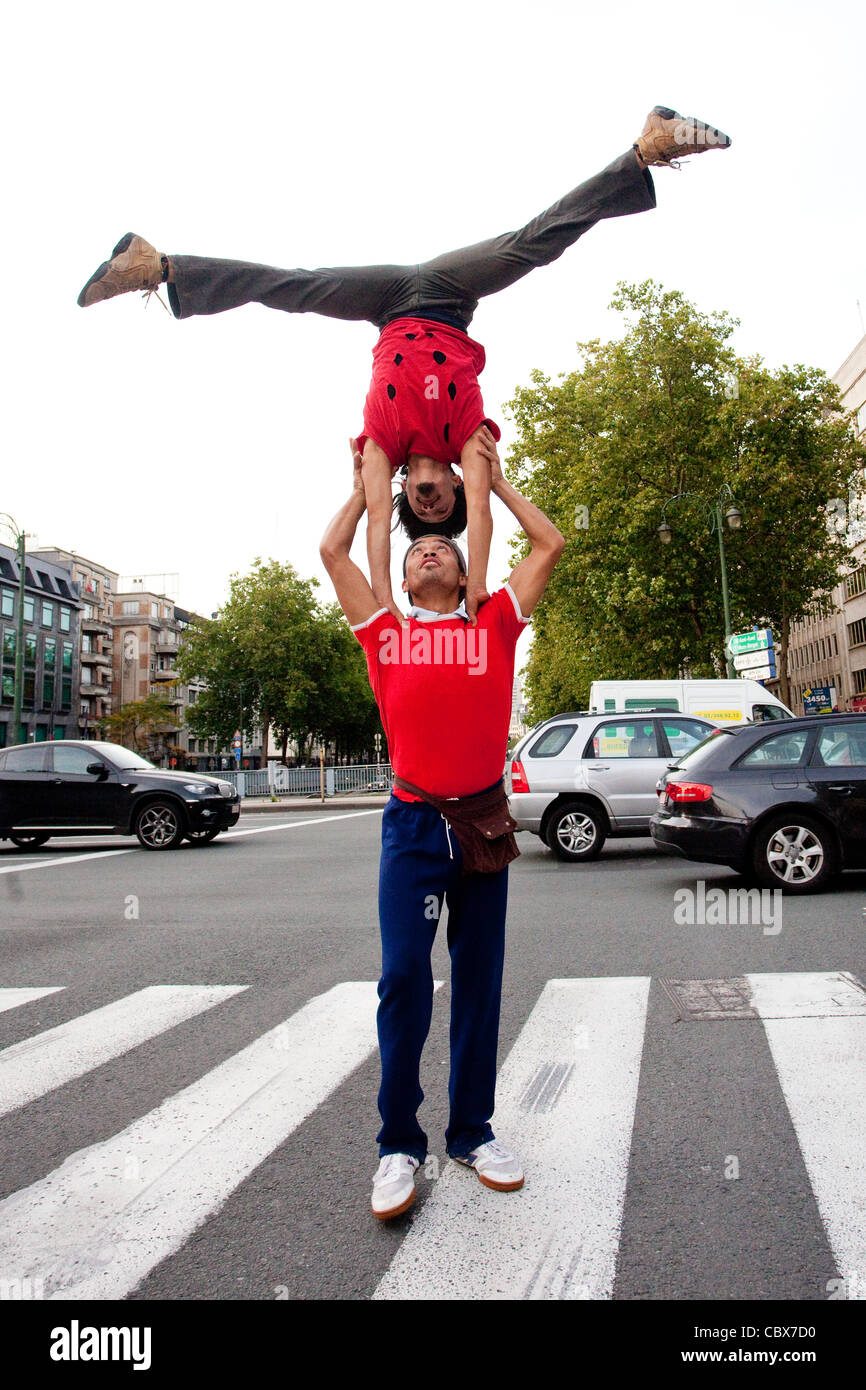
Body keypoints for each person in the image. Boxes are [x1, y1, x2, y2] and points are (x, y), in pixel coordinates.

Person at [78, 106, 729, 622]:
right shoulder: (467, 440)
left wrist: (388, 594)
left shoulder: (380, 451)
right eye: (441, 501)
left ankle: (155, 268)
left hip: (388, 304)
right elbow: (483, 510)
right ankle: (647, 147)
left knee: (295, 287)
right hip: (447, 296)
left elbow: (375, 524)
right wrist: (474, 581)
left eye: (427, 506)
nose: (433, 499)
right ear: (448, 486)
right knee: (531, 245)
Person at [319, 427, 564, 1219]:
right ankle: (398, 1145)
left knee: (480, 982)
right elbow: (332, 551)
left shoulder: (492, 625)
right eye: (416, 547)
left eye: (443, 549)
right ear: (405, 569)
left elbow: (550, 541)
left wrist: (491, 478)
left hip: (483, 825)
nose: (428, 550)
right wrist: (371, 481)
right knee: (402, 981)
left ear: (463, 569)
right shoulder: (385, 632)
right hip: (414, 824)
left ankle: (471, 1131)